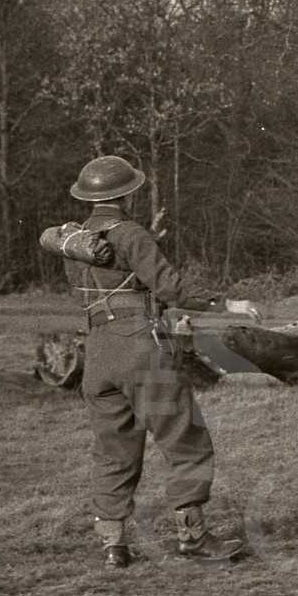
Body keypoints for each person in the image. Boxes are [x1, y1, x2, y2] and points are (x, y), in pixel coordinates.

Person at [42, 155, 257, 568]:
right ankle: (193, 538)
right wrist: (229, 302)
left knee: (112, 449)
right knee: (185, 439)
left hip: (98, 352)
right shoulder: (130, 234)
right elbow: (173, 291)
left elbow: (110, 275)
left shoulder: (73, 242)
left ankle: (113, 544)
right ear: (127, 193)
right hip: (141, 348)